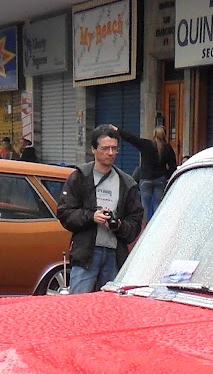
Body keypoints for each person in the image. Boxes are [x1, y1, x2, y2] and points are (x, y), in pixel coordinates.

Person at [55, 123, 142, 294]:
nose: (110, 153)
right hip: (86, 253)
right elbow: (64, 212)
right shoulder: (80, 177)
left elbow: (135, 222)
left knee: (110, 310)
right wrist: (91, 217)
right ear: (93, 149)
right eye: (105, 148)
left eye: (114, 149)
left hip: (114, 255)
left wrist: (118, 225)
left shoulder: (127, 183)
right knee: (79, 306)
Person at [119, 123, 178, 221]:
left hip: (145, 179)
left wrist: (118, 131)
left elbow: (132, 138)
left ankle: (144, 230)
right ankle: (156, 228)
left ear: (153, 134)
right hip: (160, 180)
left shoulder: (146, 145)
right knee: (157, 205)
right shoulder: (168, 148)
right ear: (165, 135)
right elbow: (173, 166)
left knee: (144, 206)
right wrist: (165, 175)